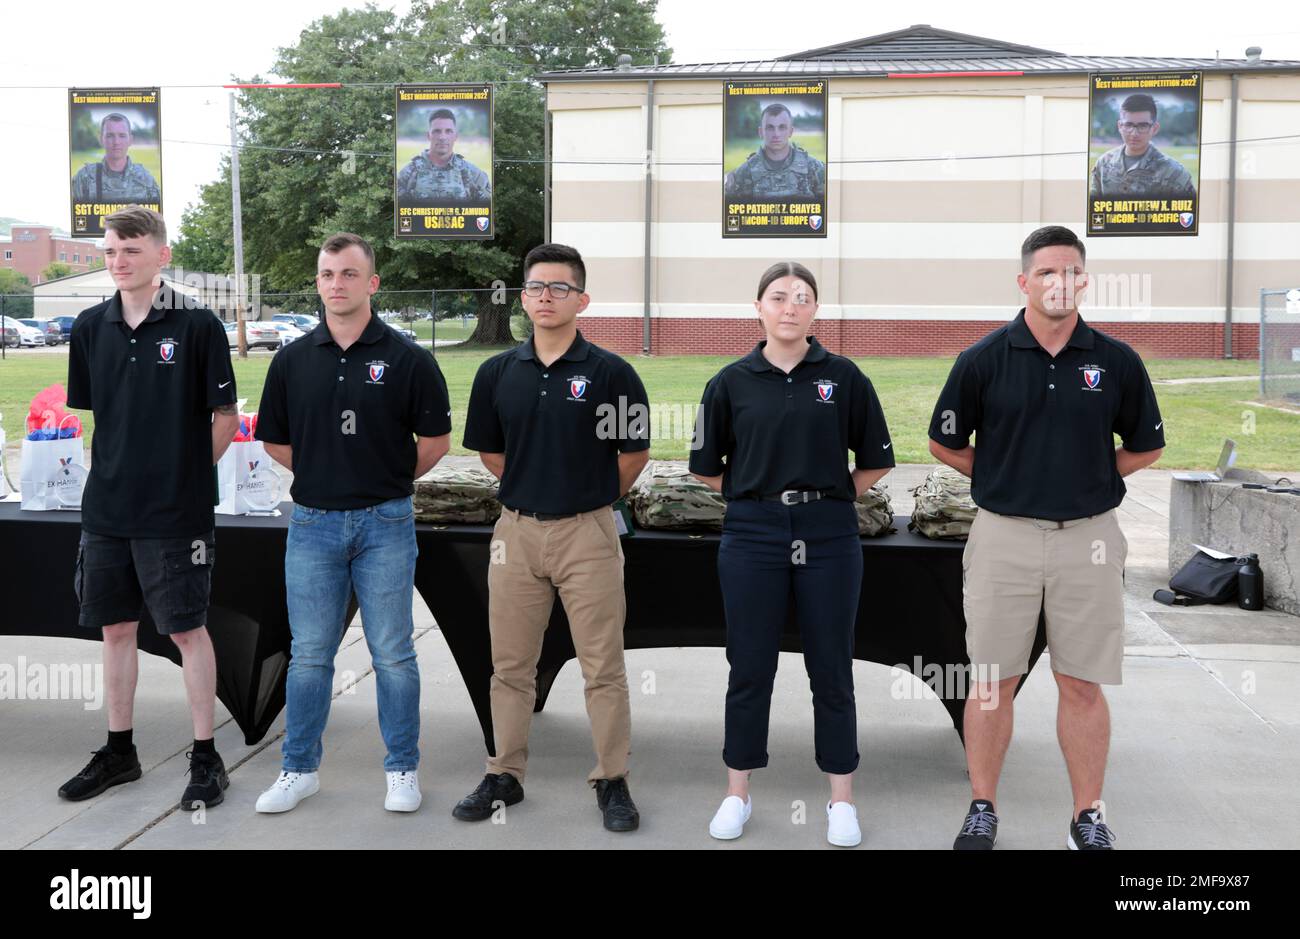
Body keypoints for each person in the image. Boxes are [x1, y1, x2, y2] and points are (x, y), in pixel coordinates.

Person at [928, 225, 1165, 851]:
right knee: (990, 681)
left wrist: (1086, 478)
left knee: (1081, 683)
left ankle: (1087, 815)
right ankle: (982, 806)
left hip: (1087, 540)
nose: (1059, 283)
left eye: (1070, 273)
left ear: (1084, 280)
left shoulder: (1116, 361)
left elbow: (1147, 445)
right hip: (1003, 536)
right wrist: (1008, 475)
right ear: (1024, 281)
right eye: (1046, 273)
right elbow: (944, 441)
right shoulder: (982, 359)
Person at [689, 261, 894, 847]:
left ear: (815, 311)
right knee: (750, 665)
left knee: (830, 666)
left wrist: (827, 498)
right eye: (778, 297)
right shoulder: (730, 381)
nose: (789, 307)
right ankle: (737, 793)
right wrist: (756, 498)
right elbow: (706, 468)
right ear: (758, 308)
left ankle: (841, 800)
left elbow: (876, 458)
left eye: (802, 298)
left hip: (828, 533)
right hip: (752, 531)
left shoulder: (844, 376)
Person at [453, 243, 651, 832]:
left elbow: (634, 455)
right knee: (510, 665)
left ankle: (612, 779)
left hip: (588, 533)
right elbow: (492, 453)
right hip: (515, 533)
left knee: (602, 666)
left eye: (559, 287)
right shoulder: (496, 372)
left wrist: (583, 495)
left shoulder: (611, 372)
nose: (546, 296)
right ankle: (504, 774)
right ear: (522, 296)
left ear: (581, 299)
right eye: (536, 286)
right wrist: (533, 487)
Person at [252, 232, 452, 814]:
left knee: (392, 652)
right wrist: (326, 475)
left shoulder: (407, 357)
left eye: (347, 273)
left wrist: (382, 479)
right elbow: (276, 440)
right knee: (311, 652)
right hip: (312, 525)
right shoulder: (291, 358)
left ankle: (402, 768)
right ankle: (298, 769)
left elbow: (435, 441)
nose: (335, 284)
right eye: (326, 274)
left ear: (372, 283)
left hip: (386, 524)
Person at [61, 206, 239, 810]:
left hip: (176, 514)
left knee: (187, 631)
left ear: (161, 254)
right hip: (107, 512)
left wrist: (186, 480)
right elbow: (101, 423)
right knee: (115, 630)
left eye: (131, 250)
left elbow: (225, 418)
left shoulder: (198, 325)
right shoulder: (88, 327)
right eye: (110, 251)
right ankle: (119, 751)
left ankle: (206, 757)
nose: (118, 261)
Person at [1088, 93, 1196, 201]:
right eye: (1128, 125)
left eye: (1143, 126)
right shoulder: (1103, 163)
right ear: (1120, 126)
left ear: (1155, 128)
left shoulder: (1174, 173)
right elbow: (1094, 209)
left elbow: (1188, 214)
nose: (1134, 133)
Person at [724, 103, 825, 201]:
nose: (776, 134)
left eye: (782, 127)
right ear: (761, 132)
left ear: (791, 131)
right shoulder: (743, 174)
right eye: (770, 127)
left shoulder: (815, 168)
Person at [396, 108, 492, 202]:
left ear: (455, 136)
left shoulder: (472, 173)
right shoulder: (409, 173)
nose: (442, 137)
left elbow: (486, 209)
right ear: (429, 136)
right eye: (437, 131)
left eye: (448, 131)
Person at [71, 113, 161, 204]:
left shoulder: (146, 179)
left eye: (122, 136)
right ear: (101, 139)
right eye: (110, 136)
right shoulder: (84, 178)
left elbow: (156, 216)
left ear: (130, 140)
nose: (116, 142)